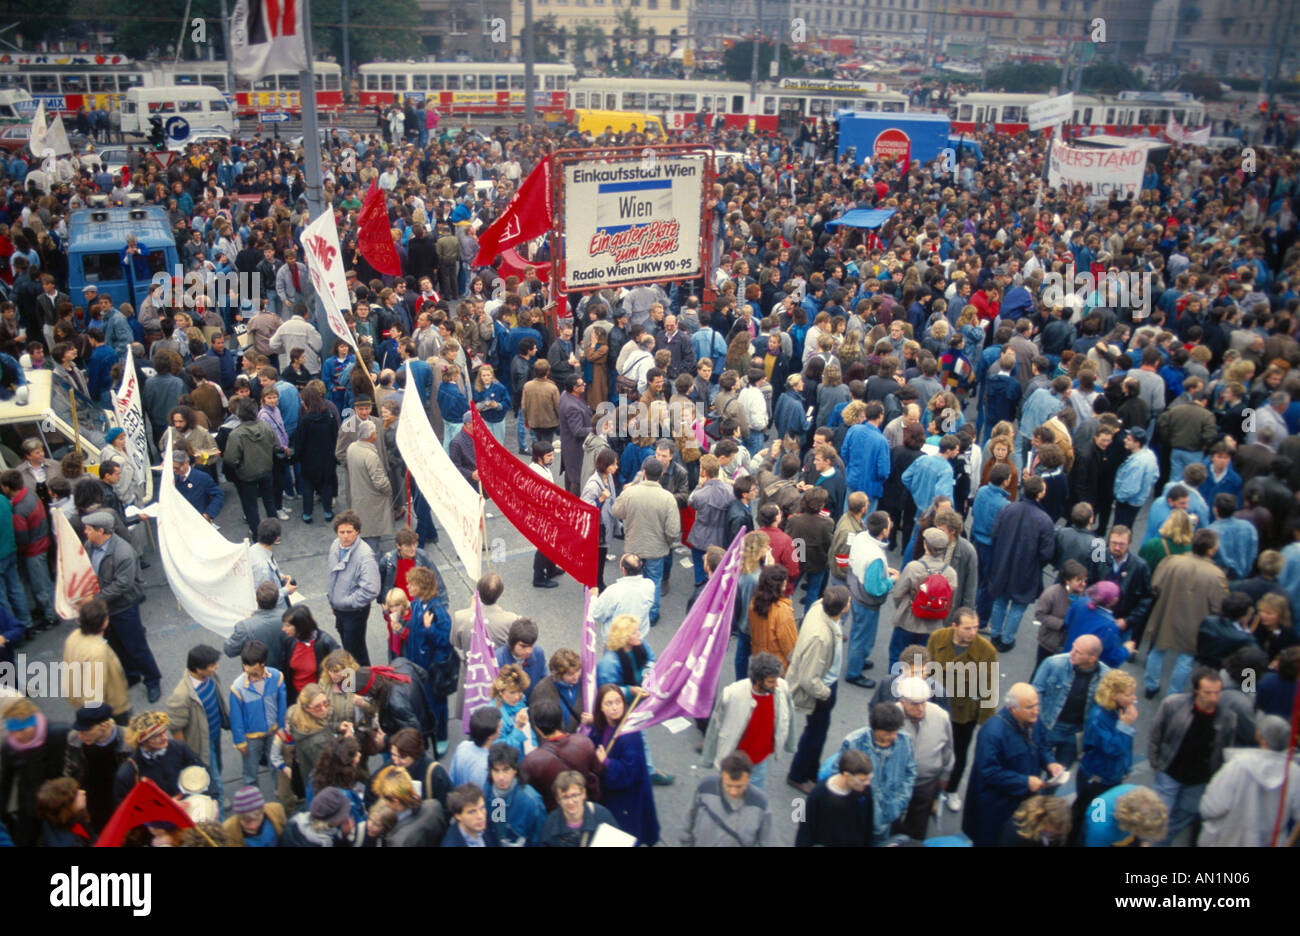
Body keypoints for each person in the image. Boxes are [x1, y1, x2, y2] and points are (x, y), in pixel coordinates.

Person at [962, 683, 1065, 848]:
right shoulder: (992, 733)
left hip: (1022, 802)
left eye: (1037, 704)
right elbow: (989, 772)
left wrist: (1050, 763)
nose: (1036, 710)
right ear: (1013, 709)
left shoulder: (1034, 721)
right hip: (995, 807)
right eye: (1030, 707)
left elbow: (1043, 746)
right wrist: (1025, 782)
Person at [1148, 666, 1239, 846]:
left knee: (1183, 816)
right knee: (1158, 816)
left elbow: (1227, 748)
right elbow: (1156, 733)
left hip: (1199, 780)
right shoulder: (1173, 705)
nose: (1213, 698)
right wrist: (1156, 761)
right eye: (1208, 692)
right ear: (1196, 690)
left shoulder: (1228, 717)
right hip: (1170, 771)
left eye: (1217, 693)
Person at [83, 510, 161, 702]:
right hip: (104, 606)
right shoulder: (90, 546)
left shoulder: (123, 552)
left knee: (136, 646)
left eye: (88, 529)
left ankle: (152, 680)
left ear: (101, 530)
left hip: (123, 607)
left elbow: (122, 585)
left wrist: (94, 599)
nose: (85, 532)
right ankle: (131, 674)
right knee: (116, 644)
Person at [927, 608, 999, 812]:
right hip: (937, 706)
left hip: (964, 713)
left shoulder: (986, 651)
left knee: (959, 753)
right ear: (954, 626)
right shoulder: (937, 638)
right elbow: (929, 667)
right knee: (934, 749)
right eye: (967, 628)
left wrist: (986, 723)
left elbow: (989, 687)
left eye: (976, 627)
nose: (973, 632)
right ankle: (931, 789)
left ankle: (951, 790)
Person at [1144, 529, 1229, 698]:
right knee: (1186, 659)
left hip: (1167, 613)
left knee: (1158, 650)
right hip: (1196, 621)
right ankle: (1173, 694)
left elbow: (1155, 585)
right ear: (1211, 549)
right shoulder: (1216, 575)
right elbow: (1220, 605)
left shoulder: (1172, 562)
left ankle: (1150, 686)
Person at [784, 586, 849, 794]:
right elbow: (808, 679)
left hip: (825, 681)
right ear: (841, 609)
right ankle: (798, 775)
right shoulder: (821, 639)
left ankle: (811, 771)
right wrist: (826, 693)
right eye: (848, 601)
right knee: (815, 733)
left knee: (818, 731)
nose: (850, 602)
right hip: (823, 688)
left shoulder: (819, 607)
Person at [1199, 714, 1300, 847]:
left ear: (1262, 740)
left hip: (1230, 839)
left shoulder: (1238, 765)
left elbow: (1211, 807)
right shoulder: (1294, 772)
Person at [700, 653, 796, 790]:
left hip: (760, 759)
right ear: (757, 680)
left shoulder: (782, 688)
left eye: (776, 679)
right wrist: (708, 759)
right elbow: (715, 727)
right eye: (770, 681)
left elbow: (789, 717)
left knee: (754, 801)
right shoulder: (732, 694)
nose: (776, 684)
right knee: (730, 798)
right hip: (735, 761)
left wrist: (790, 745)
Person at [986, 475, 1056, 652]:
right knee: (1018, 605)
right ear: (1040, 494)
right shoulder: (1045, 520)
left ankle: (995, 634)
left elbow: (994, 534)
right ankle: (1007, 639)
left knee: (1000, 600)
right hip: (1027, 569)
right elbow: (1047, 552)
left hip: (1002, 563)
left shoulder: (1008, 509)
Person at [611, 457, 681, 626]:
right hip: (656, 549)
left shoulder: (630, 493)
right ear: (661, 474)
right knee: (654, 582)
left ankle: (632, 613)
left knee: (632, 582)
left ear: (644, 473)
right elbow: (673, 530)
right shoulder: (667, 498)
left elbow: (616, 511)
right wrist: (666, 542)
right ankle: (652, 615)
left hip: (633, 547)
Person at [1073, 669, 1140, 841]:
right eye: (1129, 694)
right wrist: (1125, 726)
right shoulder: (1099, 717)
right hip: (1097, 780)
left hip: (1111, 777)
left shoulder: (1120, 712)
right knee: (1089, 817)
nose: (1134, 698)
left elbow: (1125, 747)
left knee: (1094, 815)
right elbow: (1112, 749)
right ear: (1114, 695)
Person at [590, 683, 660, 845]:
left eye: (618, 702)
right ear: (600, 707)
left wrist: (606, 763)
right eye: (609, 703)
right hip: (609, 795)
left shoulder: (630, 734)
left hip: (628, 798)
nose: (615, 707)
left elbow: (630, 771)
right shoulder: (600, 727)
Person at [1030, 635, 1110, 769]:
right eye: (1073, 647)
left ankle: (1048, 790)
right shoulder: (1053, 663)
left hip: (1075, 732)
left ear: (1092, 659)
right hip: (1050, 725)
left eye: (1078, 652)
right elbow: (1036, 690)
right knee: (1034, 765)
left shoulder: (1106, 677)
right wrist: (1036, 720)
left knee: (1060, 772)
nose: (1071, 653)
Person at [893, 675, 955, 840]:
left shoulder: (941, 716)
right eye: (914, 703)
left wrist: (945, 776)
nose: (921, 708)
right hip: (896, 784)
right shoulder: (891, 718)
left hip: (926, 783)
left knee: (918, 825)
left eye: (924, 702)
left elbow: (948, 749)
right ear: (902, 701)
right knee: (892, 821)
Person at [0, 698, 69, 846]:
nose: (17, 736)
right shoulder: (10, 747)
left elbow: (74, 766)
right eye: (13, 731)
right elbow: (6, 782)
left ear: (34, 724)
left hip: (58, 802)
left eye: (22, 730)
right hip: (30, 804)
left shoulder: (58, 734)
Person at [888, 527, 958, 668]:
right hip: (933, 625)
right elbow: (951, 600)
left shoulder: (914, 567)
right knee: (923, 662)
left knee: (897, 657)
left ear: (926, 546)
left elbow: (898, 594)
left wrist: (904, 608)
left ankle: (895, 687)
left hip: (908, 620)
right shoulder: (950, 573)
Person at [844, 510, 897, 689]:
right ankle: (853, 672)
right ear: (884, 531)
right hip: (866, 600)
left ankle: (858, 659)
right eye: (889, 524)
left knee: (858, 631)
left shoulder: (861, 537)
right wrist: (891, 581)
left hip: (855, 588)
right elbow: (875, 588)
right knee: (862, 635)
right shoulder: (876, 557)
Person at [522, 698, 603, 812]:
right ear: (561, 720)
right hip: (587, 810)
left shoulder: (531, 761)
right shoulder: (584, 743)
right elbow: (598, 771)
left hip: (554, 817)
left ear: (537, 729)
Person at [113, 711, 211, 805]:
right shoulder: (128, 774)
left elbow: (203, 771)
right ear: (142, 741)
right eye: (157, 736)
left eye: (164, 732)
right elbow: (128, 812)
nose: (165, 738)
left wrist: (213, 798)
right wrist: (168, 806)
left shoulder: (179, 748)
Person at [62, 703, 132, 831]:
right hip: (89, 798)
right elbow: (69, 770)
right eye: (79, 730)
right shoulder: (74, 739)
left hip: (118, 798)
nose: (80, 735)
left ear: (104, 725)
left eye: (85, 730)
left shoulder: (130, 741)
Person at [229, 640, 287, 793]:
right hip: (251, 737)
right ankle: (252, 797)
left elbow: (282, 707)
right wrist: (240, 741)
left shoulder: (277, 677)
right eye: (247, 669)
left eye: (254, 671)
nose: (251, 675)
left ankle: (279, 792)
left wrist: (282, 729)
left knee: (275, 763)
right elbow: (236, 719)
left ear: (263, 664)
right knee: (250, 770)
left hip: (273, 731)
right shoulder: (237, 687)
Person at [681, 751, 772, 847]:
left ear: (749, 779)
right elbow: (688, 821)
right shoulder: (704, 788)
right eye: (728, 786)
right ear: (721, 776)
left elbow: (768, 840)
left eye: (739, 786)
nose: (733, 792)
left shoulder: (760, 804)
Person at [326, 511, 381, 667]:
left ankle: (354, 687)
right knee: (349, 648)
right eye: (341, 532)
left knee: (354, 653)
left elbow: (371, 589)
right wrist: (333, 601)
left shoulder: (365, 556)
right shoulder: (335, 545)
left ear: (357, 531)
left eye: (349, 532)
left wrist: (344, 602)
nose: (345, 536)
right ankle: (364, 683)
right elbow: (332, 576)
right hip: (339, 609)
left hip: (354, 611)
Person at [62, 598, 130, 723]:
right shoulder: (97, 652)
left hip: (78, 700)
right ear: (104, 622)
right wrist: (101, 721)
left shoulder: (73, 636)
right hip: (111, 710)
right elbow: (94, 696)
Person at [794, 748, 875, 847]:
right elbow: (805, 829)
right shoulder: (819, 794)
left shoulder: (864, 791)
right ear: (846, 775)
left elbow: (868, 825)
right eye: (862, 780)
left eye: (869, 778)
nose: (867, 783)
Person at [224, 397, 278, 538]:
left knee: (251, 506)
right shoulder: (266, 427)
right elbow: (276, 446)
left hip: (247, 475)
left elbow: (230, 459)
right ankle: (275, 533)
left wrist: (239, 465)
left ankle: (256, 534)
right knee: (269, 501)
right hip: (266, 470)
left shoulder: (236, 434)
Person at [345, 420, 394, 554]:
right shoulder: (370, 455)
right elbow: (380, 482)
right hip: (372, 502)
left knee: (365, 535)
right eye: (375, 432)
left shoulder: (352, 448)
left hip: (358, 497)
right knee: (373, 541)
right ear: (372, 436)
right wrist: (389, 490)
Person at [485, 743, 547, 847]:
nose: (500, 777)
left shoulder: (532, 802)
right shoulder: (488, 790)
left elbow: (539, 840)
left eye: (506, 770)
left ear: (515, 770)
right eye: (496, 770)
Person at [371, 765, 447, 846]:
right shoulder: (434, 805)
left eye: (384, 799)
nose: (384, 803)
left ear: (395, 801)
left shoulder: (398, 840)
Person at [539, 770, 619, 847]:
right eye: (564, 797)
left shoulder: (602, 816)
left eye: (574, 795)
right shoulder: (551, 822)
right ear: (558, 800)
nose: (570, 802)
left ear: (583, 794)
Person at [590, 555, 656, 640]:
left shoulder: (613, 591)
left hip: (616, 640)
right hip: (638, 635)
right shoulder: (649, 585)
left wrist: (593, 597)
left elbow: (596, 613)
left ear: (623, 570)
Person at [748, 565, 797, 670]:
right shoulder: (783, 611)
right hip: (777, 666)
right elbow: (790, 647)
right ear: (782, 585)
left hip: (759, 660)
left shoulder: (754, 603)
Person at [280, 786, 361, 847]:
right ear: (333, 820)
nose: (345, 816)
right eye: (343, 813)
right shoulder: (323, 843)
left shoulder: (294, 821)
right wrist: (344, 839)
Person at [450, 706, 501, 792]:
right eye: (499, 727)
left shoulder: (463, 746)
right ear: (491, 736)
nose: (500, 730)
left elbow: (452, 778)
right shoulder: (486, 766)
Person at [221, 785, 286, 847]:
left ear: (263, 810)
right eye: (246, 821)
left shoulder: (277, 811)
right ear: (238, 817)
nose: (253, 826)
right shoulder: (227, 831)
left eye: (257, 819)